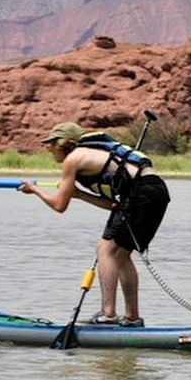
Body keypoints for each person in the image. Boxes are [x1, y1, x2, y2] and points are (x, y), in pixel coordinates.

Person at [18, 121, 170, 327]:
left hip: (141, 192)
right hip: (156, 191)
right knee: (121, 254)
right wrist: (80, 194)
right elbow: (113, 205)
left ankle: (108, 314)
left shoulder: (72, 159)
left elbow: (60, 206)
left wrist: (34, 190)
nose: (49, 149)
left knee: (104, 249)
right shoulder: (93, 154)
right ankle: (132, 318)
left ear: (64, 143)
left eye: (51, 144)